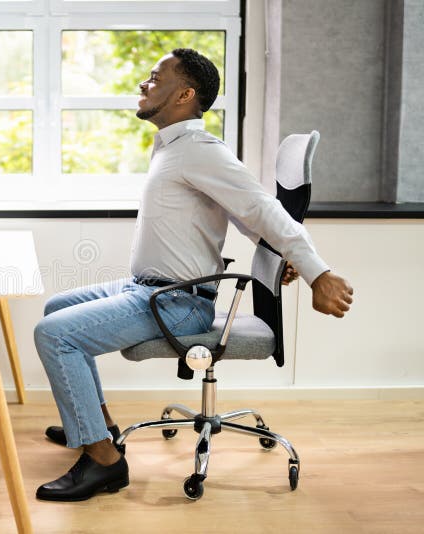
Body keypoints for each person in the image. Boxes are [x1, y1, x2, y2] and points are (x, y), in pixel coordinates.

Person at [34, 48, 354, 502]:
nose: (143, 84)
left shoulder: (200, 151)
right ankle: (96, 426)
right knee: (56, 309)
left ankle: (104, 462)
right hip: (147, 288)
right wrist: (277, 259)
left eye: (154, 78)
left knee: (55, 334)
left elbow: (264, 211)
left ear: (185, 94)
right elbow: (245, 219)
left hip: (177, 303)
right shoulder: (172, 147)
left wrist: (318, 272)